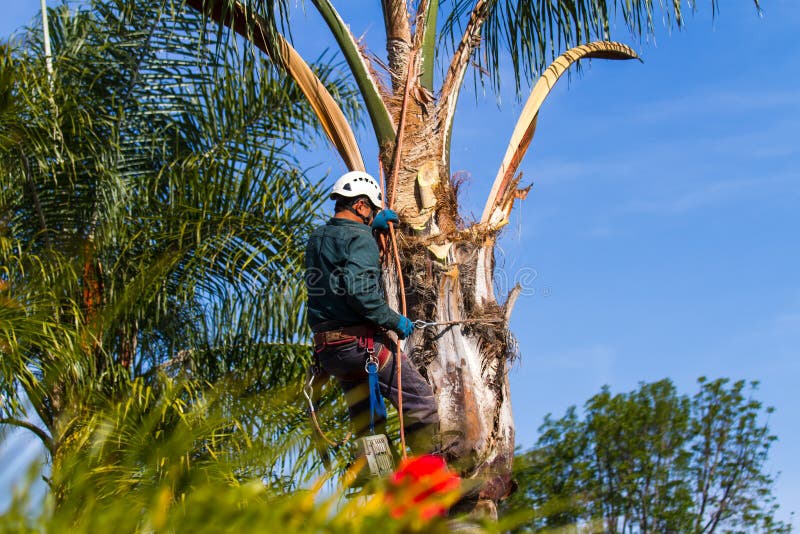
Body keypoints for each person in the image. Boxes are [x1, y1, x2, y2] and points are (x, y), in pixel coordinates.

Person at [305, 170, 440, 455]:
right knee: (421, 403)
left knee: (368, 425)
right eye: (371, 210)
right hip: (360, 347)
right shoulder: (360, 238)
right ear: (361, 205)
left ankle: (379, 481)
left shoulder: (317, 238)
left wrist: (369, 228)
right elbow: (360, 292)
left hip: (330, 352)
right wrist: (395, 321)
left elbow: (335, 273)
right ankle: (428, 477)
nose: (371, 216)